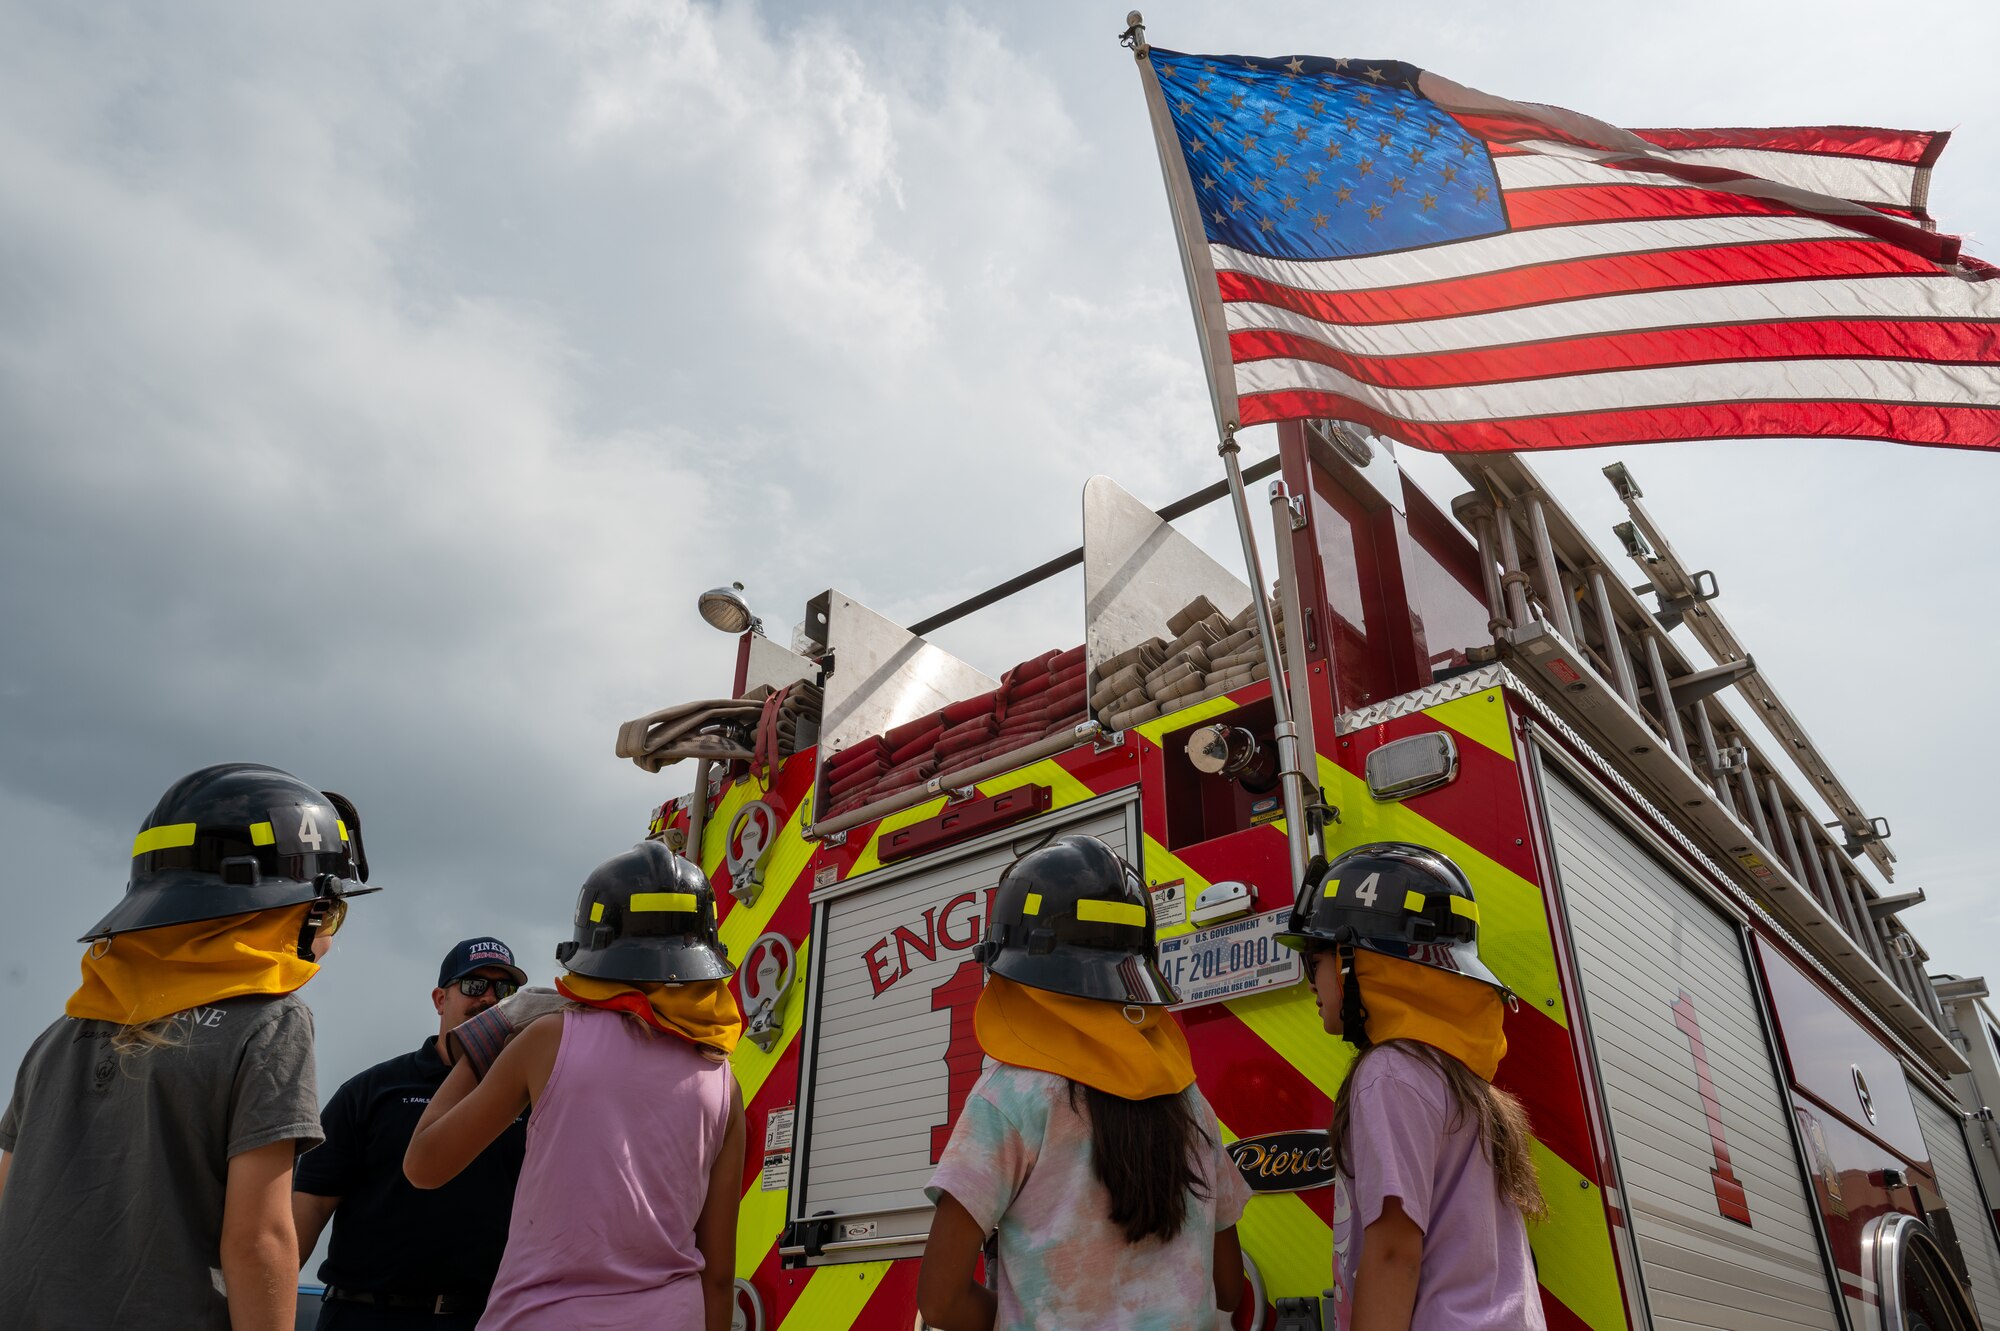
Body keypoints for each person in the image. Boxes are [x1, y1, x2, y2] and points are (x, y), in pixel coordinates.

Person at [0, 762, 379, 1331]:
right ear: (300, 911)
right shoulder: (272, 1024)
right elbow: (258, 1240)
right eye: (331, 913)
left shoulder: (59, 1034)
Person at [402, 842, 745, 1331]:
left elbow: (424, 1165)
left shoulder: (547, 1040)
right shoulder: (723, 1081)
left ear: (594, 944)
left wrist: (493, 1032)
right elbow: (718, 1275)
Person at [917, 834, 1249, 1331]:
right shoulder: (1188, 1100)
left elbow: (940, 1302)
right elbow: (1229, 1287)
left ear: (1013, 962)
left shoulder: (1010, 1099)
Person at [1277, 841, 1548, 1331]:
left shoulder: (1389, 1074)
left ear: (1355, 960)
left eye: (1313, 962)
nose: (1310, 985)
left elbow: (1394, 1251)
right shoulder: (1457, 1075)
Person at [293, 937, 533, 1328]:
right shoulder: (374, 1091)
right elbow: (309, 1207)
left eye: (505, 989)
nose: (490, 998)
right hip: (366, 1315)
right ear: (440, 999)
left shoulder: (530, 1099)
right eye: (474, 985)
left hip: (483, 1317)